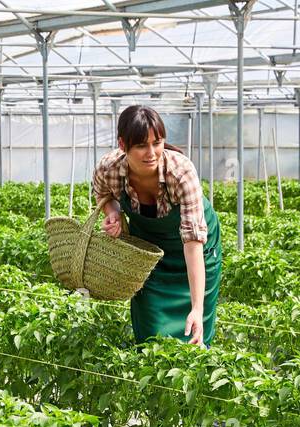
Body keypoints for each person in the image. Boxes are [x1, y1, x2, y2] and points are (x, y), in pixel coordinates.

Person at [91, 105, 221, 347]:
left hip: (196, 254)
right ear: (123, 144)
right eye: (141, 145)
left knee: (193, 337)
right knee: (151, 332)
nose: (151, 152)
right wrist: (114, 214)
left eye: (157, 142)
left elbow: (192, 246)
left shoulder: (181, 173)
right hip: (150, 253)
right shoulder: (109, 169)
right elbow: (102, 195)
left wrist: (196, 308)